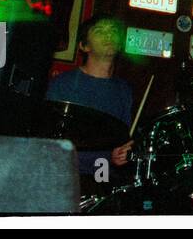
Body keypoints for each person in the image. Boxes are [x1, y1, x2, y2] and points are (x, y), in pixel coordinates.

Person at [44, 14, 134, 183]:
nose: (108, 35)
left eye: (113, 30)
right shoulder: (62, 84)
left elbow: (121, 139)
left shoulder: (124, 90)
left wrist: (120, 155)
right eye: (100, 30)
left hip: (106, 180)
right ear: (84, 46)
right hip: (66, 177)